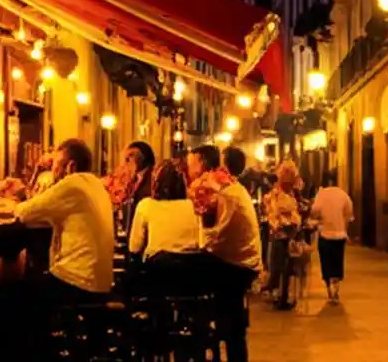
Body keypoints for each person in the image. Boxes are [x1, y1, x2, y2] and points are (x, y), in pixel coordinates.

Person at [15, 138, 115, 299]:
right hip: (101, 283)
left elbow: (24, 212)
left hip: (77, 281)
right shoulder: (96, 185)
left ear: (70, 166)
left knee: (15, 293)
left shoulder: (72, 185)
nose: (53, 171)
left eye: (55, 165)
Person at [195, 145, 261, 362]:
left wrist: (200, 240)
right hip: (240, 262)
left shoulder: (229, 193)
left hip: (236, 265)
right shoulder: (234, 190)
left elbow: (218, 235)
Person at [128, 160, 201, 261]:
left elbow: (134, 248)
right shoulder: (194, 207)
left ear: (156, 182)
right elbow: (202, 243)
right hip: (191, 270)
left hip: (156, 270)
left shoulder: (146, 205)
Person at [264, 160, 304, 308]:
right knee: (278, 267)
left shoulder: (293, 194)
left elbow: (295, 212)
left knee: (289, 268)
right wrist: (287, 223)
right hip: (279, 235)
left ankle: (285, 296)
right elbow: (273, 215)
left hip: (291, 235)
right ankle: (278, 294)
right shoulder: (274, 195)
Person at [311, 169, 354, 303]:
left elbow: (314, 212)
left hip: (325, 234)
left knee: (326, 262)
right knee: (337, 261)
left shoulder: (321, 195)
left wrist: (319, 219)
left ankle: (329, 289)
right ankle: (336, 288)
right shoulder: (343, 195)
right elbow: (349, 213)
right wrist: (344, 227)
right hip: (340, 235)